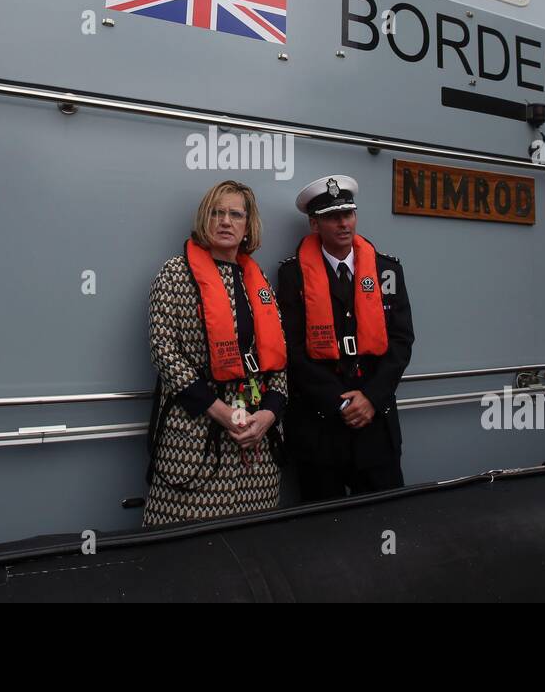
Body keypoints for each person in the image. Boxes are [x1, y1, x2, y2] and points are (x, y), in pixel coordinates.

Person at [142, 180, 288, 526]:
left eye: (235, 214)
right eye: (216, 213)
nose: (225, 221)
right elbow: (164, 351)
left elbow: (278, 357)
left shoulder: (260, 281)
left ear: (247, 225)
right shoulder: (175, 274)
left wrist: (269, 416)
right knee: (186, 549)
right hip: (194, 438)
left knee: (252, 546)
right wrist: (220, 411)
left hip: (256, 445)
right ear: (204, 220)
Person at [277, 175, 413, 500]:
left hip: (375, 424)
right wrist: (340, 403)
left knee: (386, 519)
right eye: (331, 217)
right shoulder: (292, 275)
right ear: (314, 224)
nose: (343, 223)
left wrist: (370, 398)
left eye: (348, 214)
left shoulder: (386, 271)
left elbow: (401, 340)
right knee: (325, 533)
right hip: (319, 428)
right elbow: (292, 350)